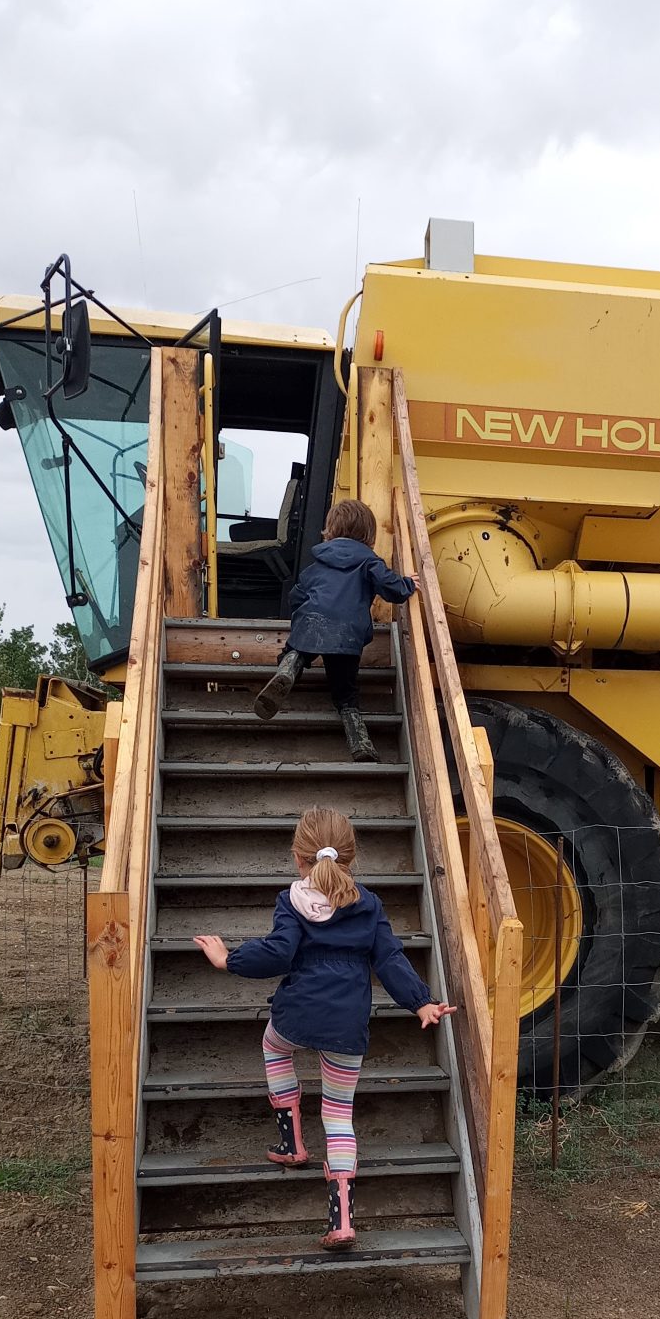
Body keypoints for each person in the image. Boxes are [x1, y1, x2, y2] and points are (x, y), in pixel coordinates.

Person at [193, 805, 455, 1249]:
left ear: (298, 859)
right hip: (347, 1024)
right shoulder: (368, 904)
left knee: (274, 1047)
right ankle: (343, 1221)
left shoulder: (291, 900)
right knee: (338, 1115)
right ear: (352, 858)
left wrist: (227, 959)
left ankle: (290, 1142)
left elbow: (277, 952)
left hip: (297, 1014)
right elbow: (390, 959)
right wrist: (421, 1003)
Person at [253, 496, 416, 760]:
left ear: (330, 530)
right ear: (369, 535)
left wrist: (301, 620)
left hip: (312, 621)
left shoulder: (318, 563)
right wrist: (408, 584)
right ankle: (359, 741)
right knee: (345, 691)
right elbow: (391, 588)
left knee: (300, 647)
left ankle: (289, 665)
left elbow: (296, 596)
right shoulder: (369, 562)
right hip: (346, 634)